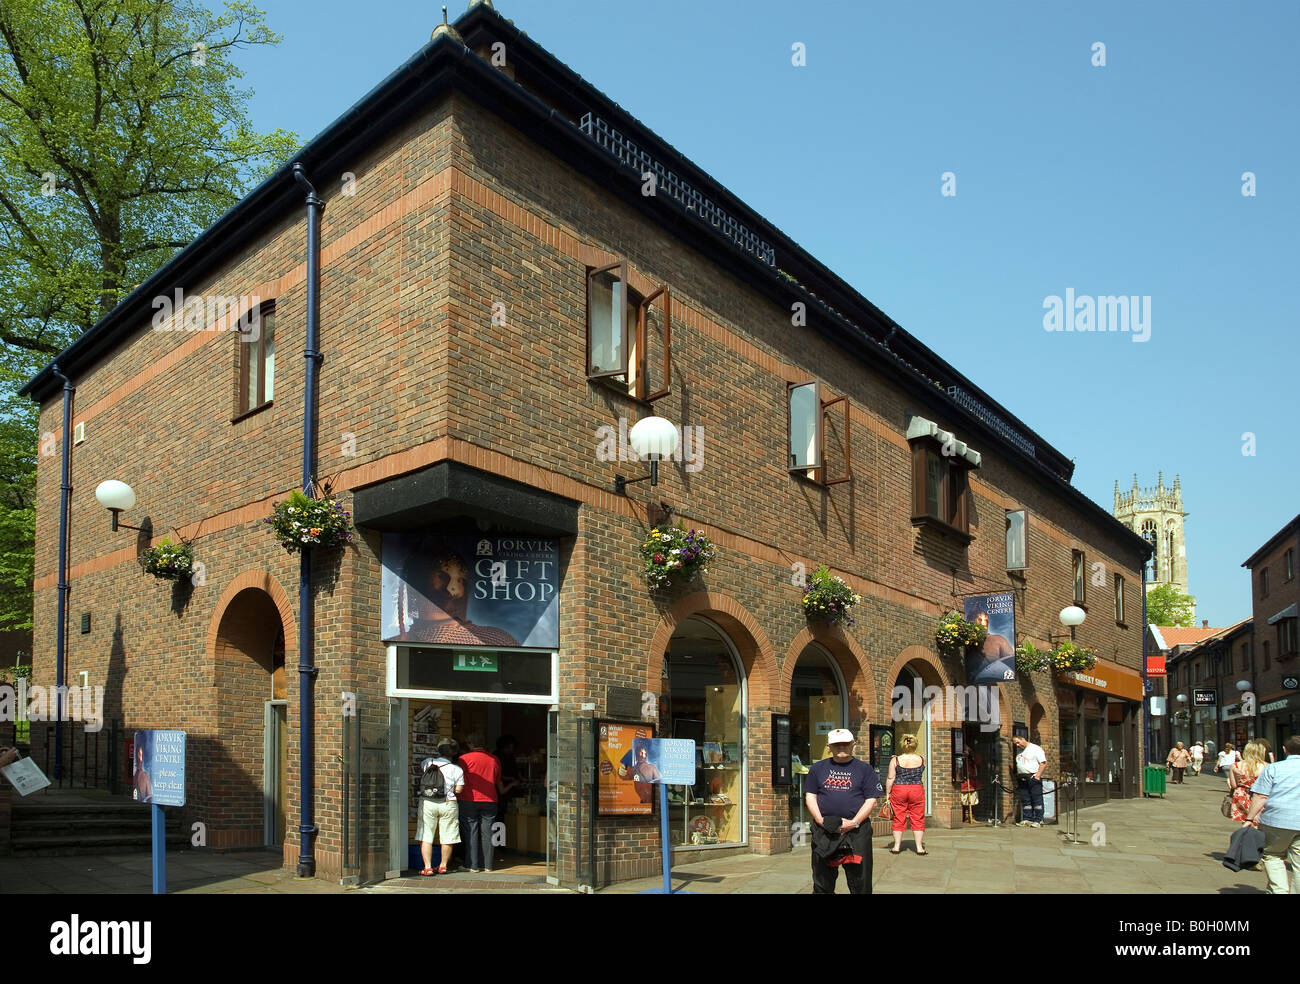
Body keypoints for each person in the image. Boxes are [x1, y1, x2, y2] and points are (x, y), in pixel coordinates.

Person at [804, 728, 883, 894]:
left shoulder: (865, 769)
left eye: (845, 744)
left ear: (853, 745)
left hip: (857, 831)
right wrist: (820, 820)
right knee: (822, 881)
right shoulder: (817, 768)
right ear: (829, 747)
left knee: (860, 881)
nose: (841, 747)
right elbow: (810, 796)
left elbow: (871, 800)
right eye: (837, 744)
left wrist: (854, 822)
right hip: (825, 830)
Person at [1244, 735, 1300, 894]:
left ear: (1284, 750)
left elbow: (1261, 796)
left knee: (1272, 855)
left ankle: (1279, 891)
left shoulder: (1274, 768)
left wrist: (1249, 818)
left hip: (1275, 821)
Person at [458, 733, 516, 872]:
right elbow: (497, 779)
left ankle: (471, 865)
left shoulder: (463, 759)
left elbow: (459, 779)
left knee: (471, 831)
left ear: (471, 744)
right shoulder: (494, 759)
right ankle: (487, 865)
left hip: (469, 798)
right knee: (488, 832)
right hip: (490, 799)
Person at [417, 742, 465, 875]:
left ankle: (427, 867)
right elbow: (459, 790)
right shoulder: (457, 769)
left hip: (428, 802)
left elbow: (423, 771)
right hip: (448, 803)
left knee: (426, 835)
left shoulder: (427, 762)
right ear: (454, 753)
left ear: (439, 750)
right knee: (448, 836)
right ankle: (443, 865)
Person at [886, 733, 926, 854]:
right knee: (918, 817)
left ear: (902, 745)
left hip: (899, 789)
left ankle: (896, 846)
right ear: (915, 744)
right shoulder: (922, 758)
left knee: (898, 816)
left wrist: (888, 793)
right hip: (917, 789)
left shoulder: (896, 759)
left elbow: (890, 778)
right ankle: (919, 847)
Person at [1230, 740, 1268, 827]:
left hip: (1241, 795)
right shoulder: (1267, 766)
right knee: (1258, 820)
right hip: (1260, 795)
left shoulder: (1235, 766)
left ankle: (1248, 836)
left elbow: (1233, 785)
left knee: (1246, 820)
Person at [1013, 735, 1046, 826]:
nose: (1017, 745)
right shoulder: (1020, 751)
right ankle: (1027, 818)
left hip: (1033, 777)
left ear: (1023, 739)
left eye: (1018, 742)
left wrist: (1037, 776)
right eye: (1015, 743)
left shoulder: (1035, 749)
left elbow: (1043, 763)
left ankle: (1038, 820)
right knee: (1025, 799)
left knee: (1036, 799)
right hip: (1022, 778)